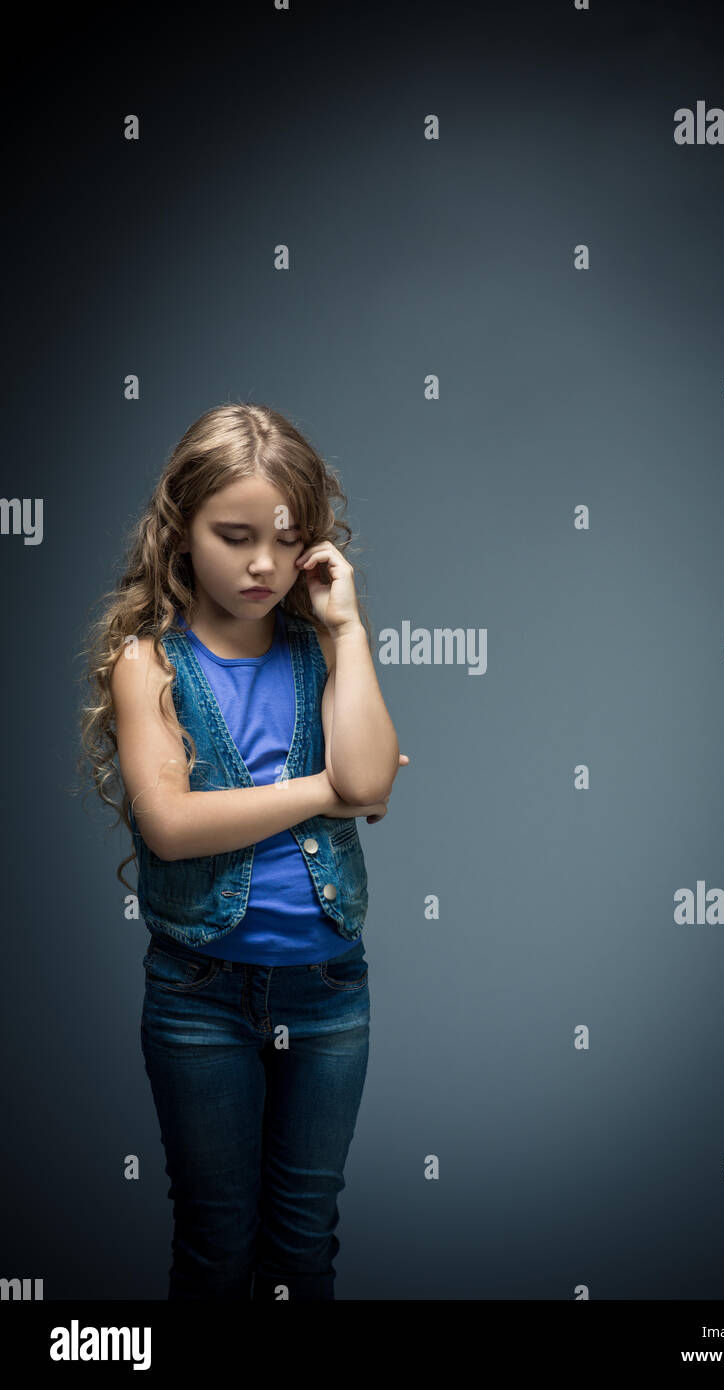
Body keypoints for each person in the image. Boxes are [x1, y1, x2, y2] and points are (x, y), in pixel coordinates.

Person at [78, 401, 408, 1299]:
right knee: (216, 1248)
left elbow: (372, 780)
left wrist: (346, 629)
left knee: (304, 1246)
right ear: (182, 531)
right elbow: (173, 826)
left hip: (329, 989)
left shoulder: (319, 651)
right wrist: (324, 792)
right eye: (233, 536)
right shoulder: (149, 664)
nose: (262, 563)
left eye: (285, 538)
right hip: (200, 997)